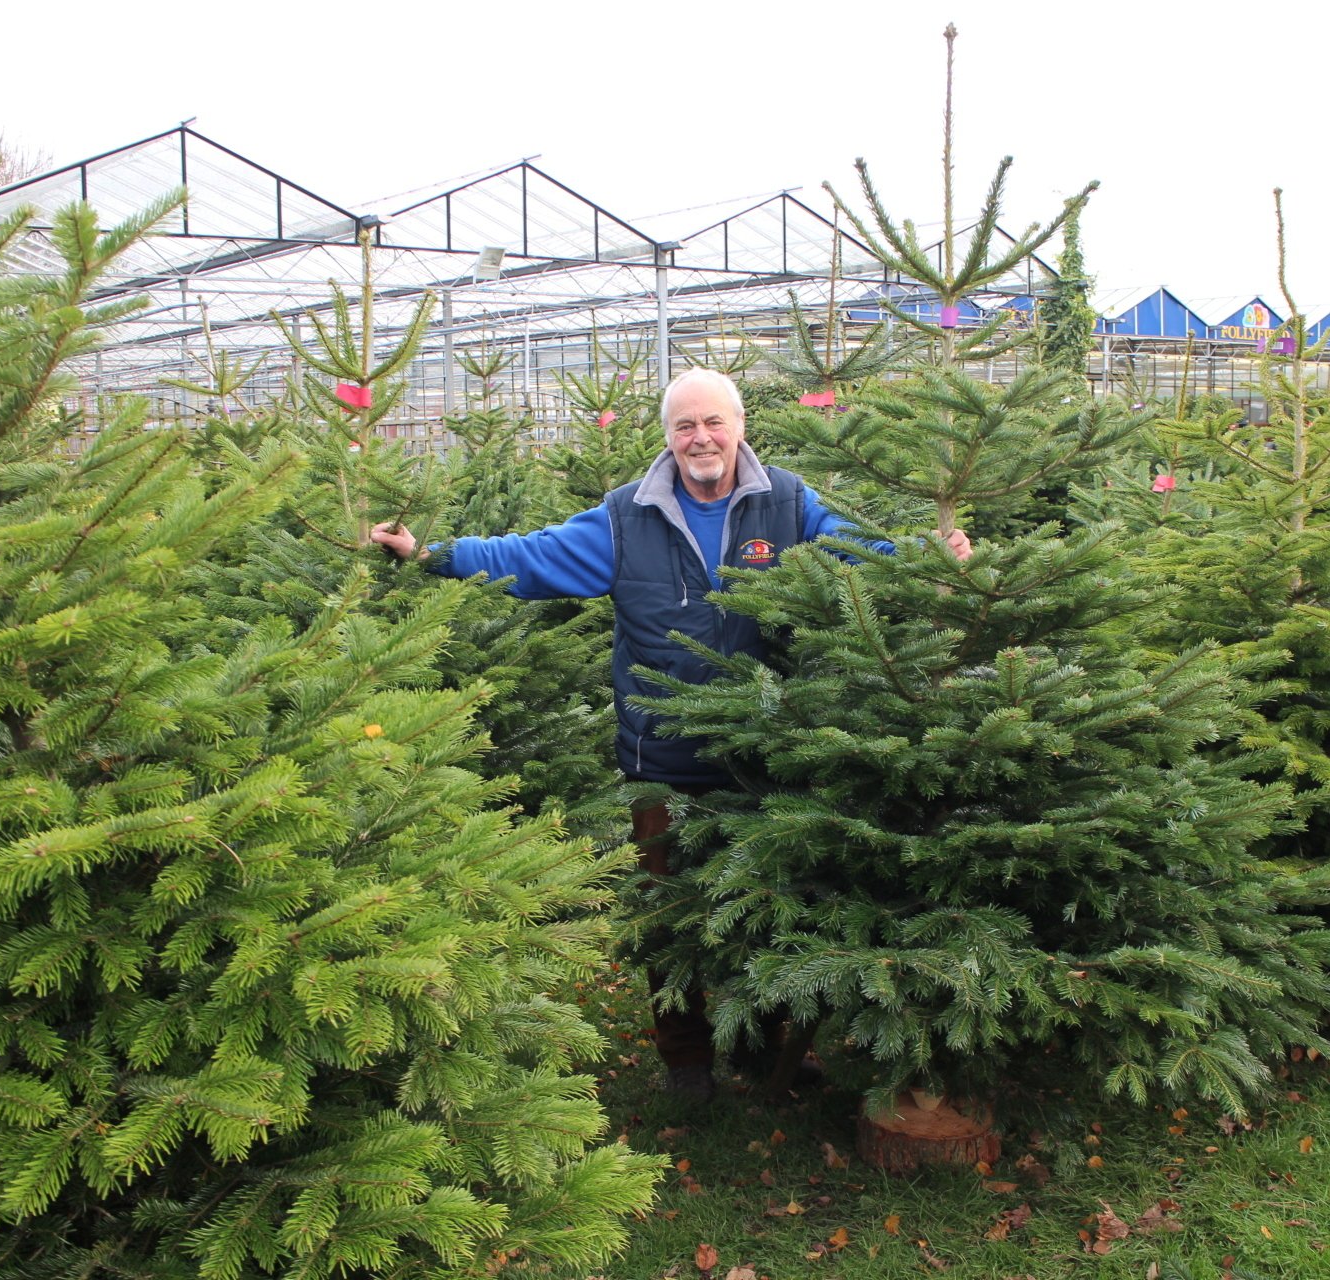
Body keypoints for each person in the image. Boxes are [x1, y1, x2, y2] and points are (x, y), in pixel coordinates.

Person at [373, 367, 971, 1100]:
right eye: (685, 425)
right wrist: (431, 554)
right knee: (667, 913)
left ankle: (760, 1044)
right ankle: (685, 1056)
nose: (701, 438)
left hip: (763, 754)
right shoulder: (627, 516)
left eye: (714, 422)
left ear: (740, 426)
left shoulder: (788, 504)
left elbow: (858, 550)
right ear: (667, 437)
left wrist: (928, 556)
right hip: (662, 756)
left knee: (767, 905)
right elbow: (530, 557)